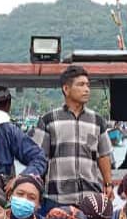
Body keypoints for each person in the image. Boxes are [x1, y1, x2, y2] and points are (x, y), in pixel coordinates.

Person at [30, 65, 115, 209]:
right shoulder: (48, 120)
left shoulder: (98, 121)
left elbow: (104, 156)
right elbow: (38, 158)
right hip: (56, 197)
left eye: (88, 85)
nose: (87, 89)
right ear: (66, 89)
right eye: (81, 85)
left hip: (91, 197)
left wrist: (108, 184)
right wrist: (35, 189)